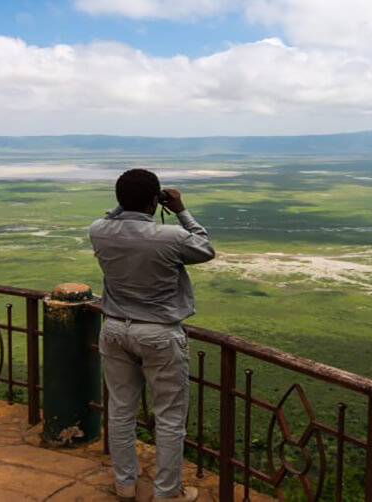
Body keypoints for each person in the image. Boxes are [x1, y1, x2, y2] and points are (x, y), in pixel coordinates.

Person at [88, 169, 216, 502]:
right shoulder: (171, 236)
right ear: (154, 200)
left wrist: (126, 206)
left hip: (115, 328)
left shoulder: (99, 231)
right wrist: (180, 210)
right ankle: (166, 493)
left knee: (120, 410)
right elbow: (205, 248)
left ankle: (125, 485)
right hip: (159, 333)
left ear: (118, 200)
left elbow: (112, 216)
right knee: (170, 417)